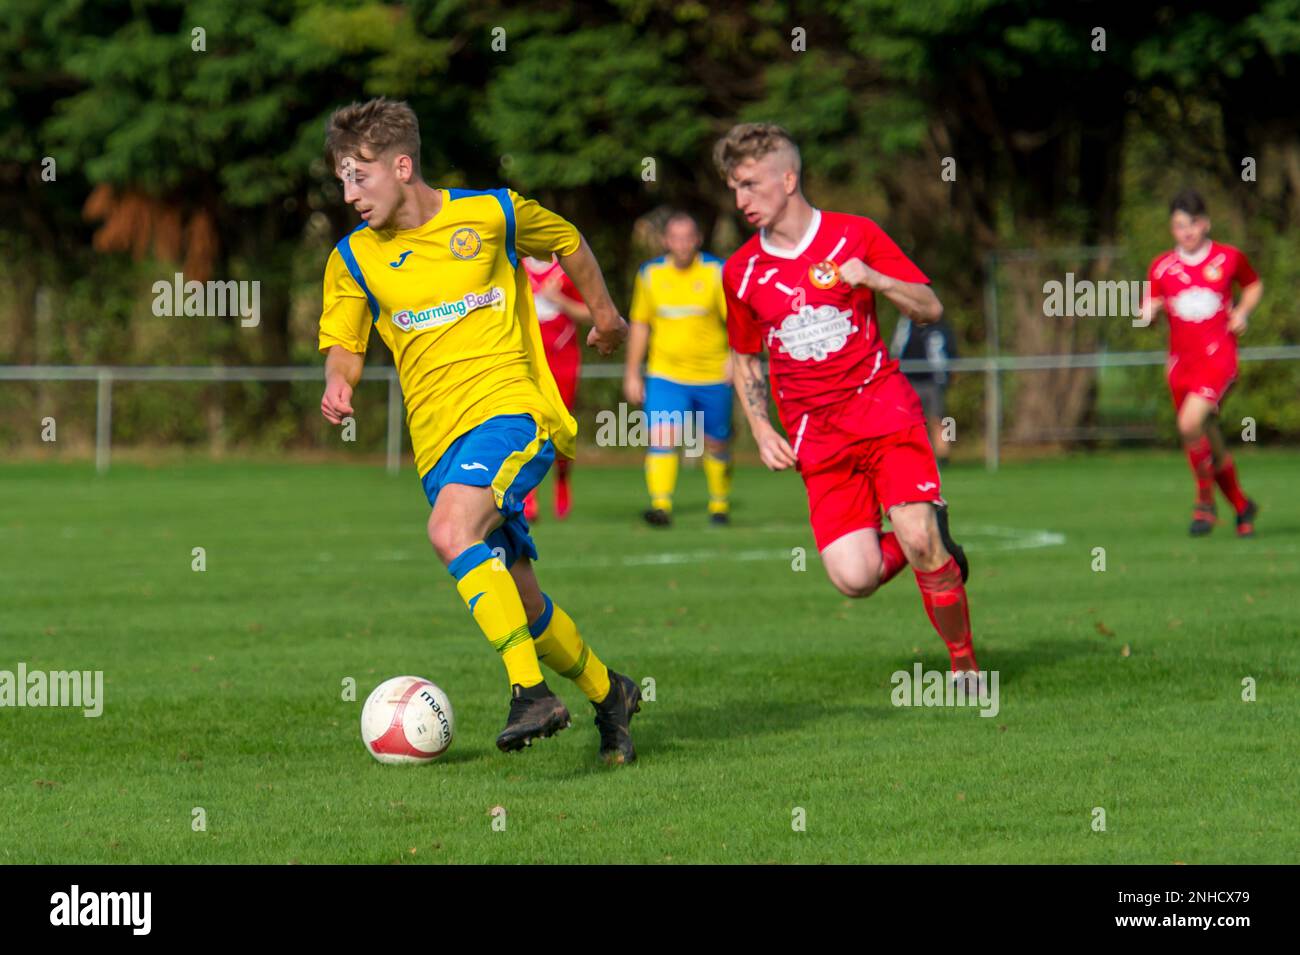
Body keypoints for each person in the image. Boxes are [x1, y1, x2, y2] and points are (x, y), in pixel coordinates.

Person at [317, 97, 640, 762]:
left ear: (402, 165)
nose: (348, 194)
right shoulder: (354, 258)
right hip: (438, 444)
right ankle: (611, 694)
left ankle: (529, 691)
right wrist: (338, 378)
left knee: (448, 532)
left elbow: (568, 240)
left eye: (360, 175)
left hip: (511, 411)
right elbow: (345, 340)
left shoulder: (491, 214)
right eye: (342, 178)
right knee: (521, 597)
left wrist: (605, 316)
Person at [715, 122, 979, 684]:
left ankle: (964, 668)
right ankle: (934, 539)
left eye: (750, 185)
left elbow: (930, 308)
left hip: (884, 409)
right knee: (854, 578)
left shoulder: (855, 235)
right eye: (734, 188)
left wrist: (877, 279)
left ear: (788, 179)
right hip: (818, 435)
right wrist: (761, 430)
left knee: (915, 536)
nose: (740, 200)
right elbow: (743, 357)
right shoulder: (740, 271)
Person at [1143, 189, 1262, 536]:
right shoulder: (1162, 267)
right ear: (1172, 229)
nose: (1188, 231)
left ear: (1206, 223)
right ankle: (1241, 506)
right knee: (1205, 435)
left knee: (1188, 423)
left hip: (1218, 358)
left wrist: (1242, 311)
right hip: (1181, 365)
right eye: (1181, 225)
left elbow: (1253, 286)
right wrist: (1147, 314)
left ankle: (1205, 503)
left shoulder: (1228, 258)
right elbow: (1148, 310)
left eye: (1194, 224)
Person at [624, 213, 734, 526]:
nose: (682, 244)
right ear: (665, 241)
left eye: (688, 237)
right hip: (665, 374)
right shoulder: (650, 274)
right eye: (676, 237)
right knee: (662, 435)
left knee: (716, 442)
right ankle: (661, 506)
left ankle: (719, 504)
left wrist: (735, 359)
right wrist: (632, 372)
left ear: (698, 239)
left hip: (713, 373)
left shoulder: (716, 272)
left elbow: (738, 320)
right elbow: (640, 324)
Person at [522, 255, 589, 520]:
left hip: (563, 360)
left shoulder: (566, 269)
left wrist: (558, 298)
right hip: (527, 358)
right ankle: (528, 496)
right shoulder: (514, 264)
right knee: (529, 426)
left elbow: (588, 312)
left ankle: (562, 479)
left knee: (560, 428)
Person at [891, 315, 957, 468]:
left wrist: (948, 375)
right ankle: (911, 456)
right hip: (909, 381)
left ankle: (943, 456)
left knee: (940, 419)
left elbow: (950, 352)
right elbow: (896, 350)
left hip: (934, 381)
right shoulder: (905, 326)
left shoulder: (939, 328)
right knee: (909, 421)